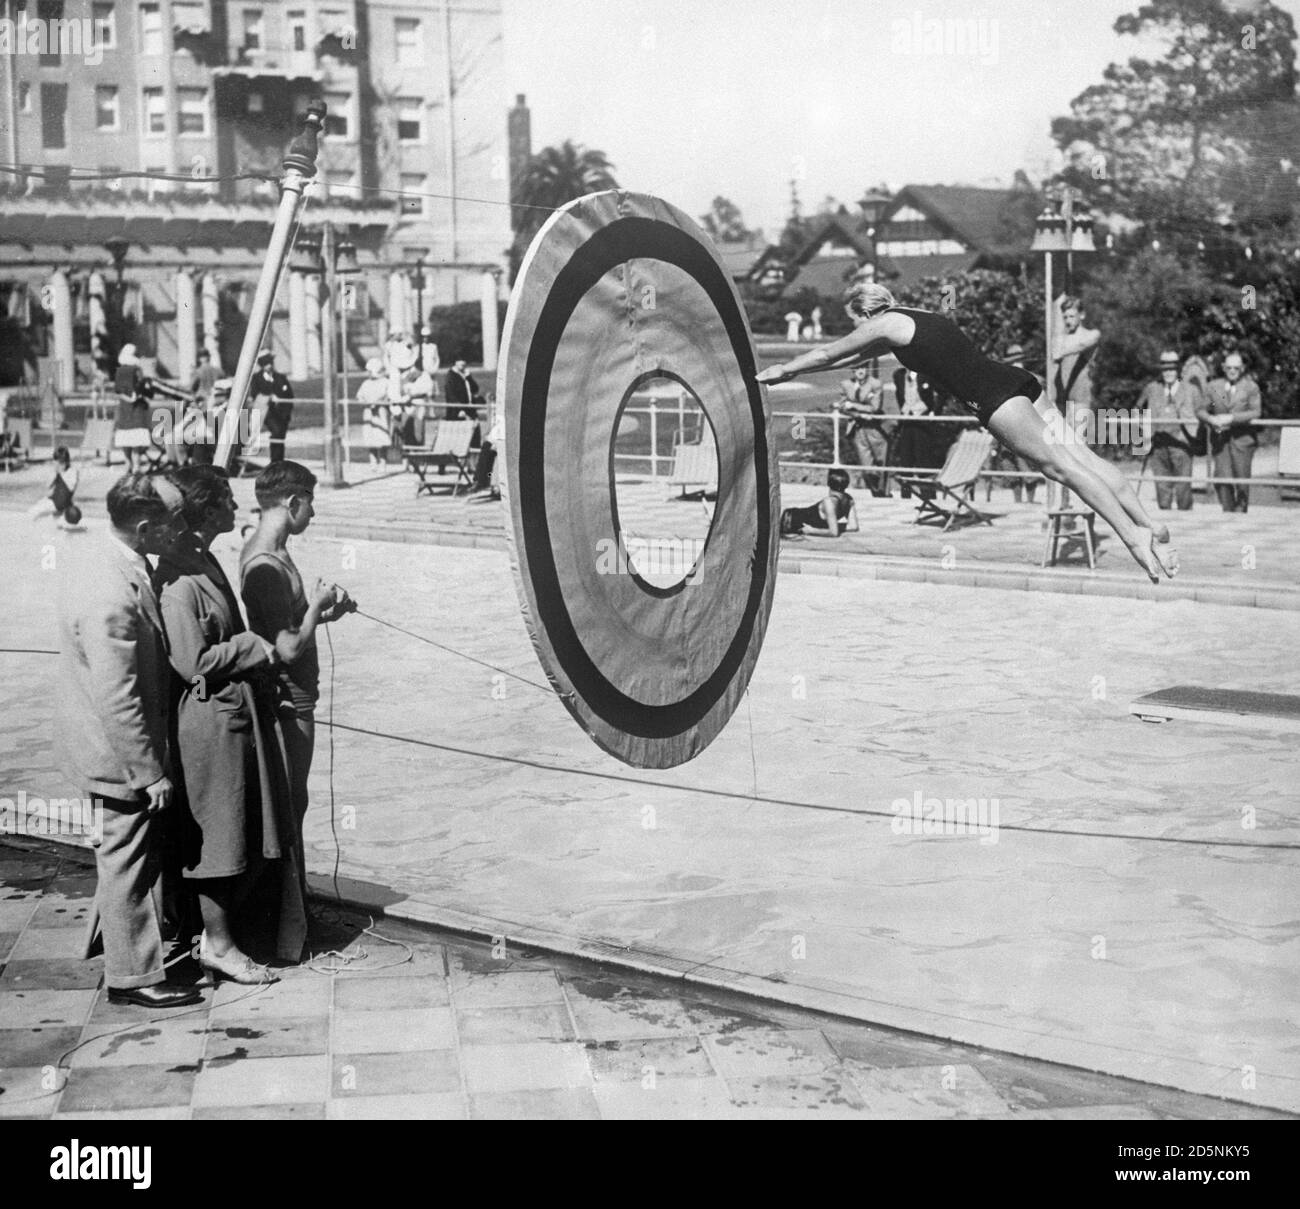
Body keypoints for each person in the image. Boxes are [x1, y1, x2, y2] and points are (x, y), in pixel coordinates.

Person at [757, 282, 1178, 581]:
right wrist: (798, 369)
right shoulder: (918, 317)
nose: (858, 330)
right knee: (1085, 458)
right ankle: (1149, 524)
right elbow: (844, 361)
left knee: (1064, 469)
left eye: (856, 322)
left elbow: (831, 351)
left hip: (994, 399)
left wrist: (782, 369)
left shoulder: (884, 323)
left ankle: (1134, 539)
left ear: (867, 313)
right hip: (1017, 380)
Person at [56, 473, 200, 1008]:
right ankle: (134, 978)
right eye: (174, 520)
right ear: (143, 527)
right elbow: (119, 698)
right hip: (112, 755)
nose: (181, 528)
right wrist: (150, 773)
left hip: (93, 744)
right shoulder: (112, 594)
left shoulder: (108, 559)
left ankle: (110, 943)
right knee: (126, 861)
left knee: (121, 855)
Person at [155, 466, 303, 980]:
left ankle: (225, 931)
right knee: (219, 835)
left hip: (232, 716)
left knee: (246, 824)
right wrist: (247, 647)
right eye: (226, 503)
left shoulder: (202, 561)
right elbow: (191, 663)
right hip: (208, 722)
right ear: (206, 510)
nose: (236, 511)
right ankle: (216, 944)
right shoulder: (177, 580)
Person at [239, 462, 353, 861]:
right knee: (292, 802)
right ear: (292, 501)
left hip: (295, 697)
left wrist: (321, 615)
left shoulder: (270, 552)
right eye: (310, 501)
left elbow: (280, 627)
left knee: (292, 801)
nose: (313, 512)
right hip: (291, 701)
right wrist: (316, 606)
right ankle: (290, 912)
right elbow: (287, 648)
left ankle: (291, 905)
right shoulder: (267, 564)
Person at [1198, 352, 1262, 513]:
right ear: (1223, 368)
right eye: (1229, 367)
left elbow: (1255, 412)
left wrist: (1231, 418)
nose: (1232, 371)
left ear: (1242, 369)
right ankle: (1228, 512)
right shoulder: (1214, 386)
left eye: (1236, 367)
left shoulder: (1251, 386)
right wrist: (1211, 419)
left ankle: (1241, 513)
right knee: (1221, 478)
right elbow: (1200, 410)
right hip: (1220, 441)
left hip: (1243, 441)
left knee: (1242, 481)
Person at [1140, 351, 1201, 512]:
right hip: (1158, 445)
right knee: (1162, 489)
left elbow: (1202, 412)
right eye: (1165, 369)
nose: (1168, 373)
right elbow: (1138, 409)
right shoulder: (1152, 388)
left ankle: (1186, 524)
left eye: (1172, 369)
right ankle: (1166, 526)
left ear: (1179, 370)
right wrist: (1144, 435)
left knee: (1183, 490)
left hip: (1182, 444)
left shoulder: (1191, 390)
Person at [994, 344, 1041, 504]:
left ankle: (1030, 501)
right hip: (1006, 427)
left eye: (1019, 361)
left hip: (1027, 426)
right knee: (1008, 464)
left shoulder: (1034, 379)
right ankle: (1018, 502)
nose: (1016, 364)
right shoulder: (1001, 380)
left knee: (1027, 464)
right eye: (1013, 361)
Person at [839, 366, 891, 496]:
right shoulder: (846, 384)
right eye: (857, 368)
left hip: (875, 428)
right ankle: (875, 492)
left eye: (863, 368)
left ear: (867, 369)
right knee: (866, 465)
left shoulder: (875, 384)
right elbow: (842, 406)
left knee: (882, 461)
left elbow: (875, 408)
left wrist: (853, 406)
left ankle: (884, 493)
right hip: (858, 427)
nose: (860, 371)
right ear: (852, 370)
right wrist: (858, 414)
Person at [779, 468, 859, 537]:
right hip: (790, 518)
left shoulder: (830, 502)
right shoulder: (848, 499)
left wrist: (812, 530)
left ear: (828, 484)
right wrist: (831, 527)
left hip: (797, 521)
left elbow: (835, 532)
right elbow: (852, 526)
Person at [113, 345, 155, 473]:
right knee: (137, 437)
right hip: (137, 407)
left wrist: (127, 398)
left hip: (124, 408)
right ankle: (136, 464)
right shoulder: (137, 369)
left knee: (125, 435)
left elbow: (118, 391)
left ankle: (128, 463)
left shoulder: (119, 370)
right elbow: (142, 387)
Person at [251, 350, 294, 463]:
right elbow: (255, 395)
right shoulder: (256, 378)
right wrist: (269, 397)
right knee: (277, 432)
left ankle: (278, 461)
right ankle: (275, 461)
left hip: (282, 413)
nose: (269, 366)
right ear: (262, 365)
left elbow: (289, 395)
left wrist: (286, 413)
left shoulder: (280, 377)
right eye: (266, 364)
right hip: (267, 412)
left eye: (270, 363)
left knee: (280, 436)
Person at [29, 445, 79, 525]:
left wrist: (61, 473)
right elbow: (48, 486)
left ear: (66, 462)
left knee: (32, 513)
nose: (58, 464)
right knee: (32, 514)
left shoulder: (73, 471)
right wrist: (54, 474)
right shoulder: (56, 470)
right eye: (57, 461)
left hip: (63, 504)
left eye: (60, 462)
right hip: (54, 501)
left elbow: (71, 488)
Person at [357, 358, 393, 468]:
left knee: (382, 437)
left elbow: (390, 397)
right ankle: (373, 461)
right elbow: (360, 396)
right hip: (368, 412)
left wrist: (380, 402)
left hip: (381, 412)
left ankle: (383, 462)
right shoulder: (366, 383)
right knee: (370, 437)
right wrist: (366, 403)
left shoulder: (386, 382)